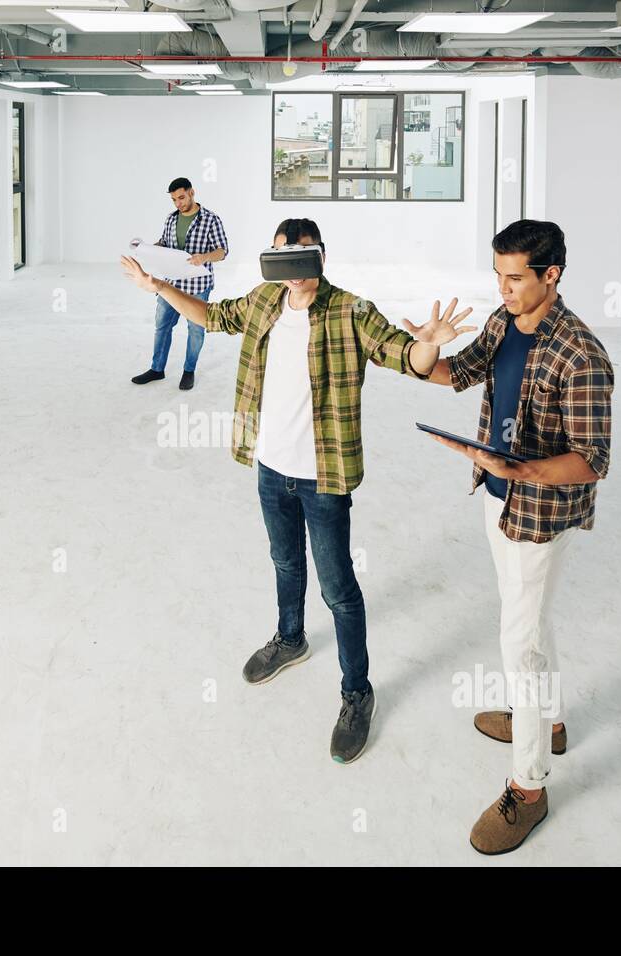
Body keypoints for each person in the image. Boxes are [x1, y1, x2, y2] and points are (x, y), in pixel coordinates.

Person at [121, 219, 474, 763]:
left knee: (338, 588)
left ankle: (357, 692)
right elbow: (213, 317)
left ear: (321, 259)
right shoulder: (264, 300)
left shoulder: (351, 310)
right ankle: (291, 638)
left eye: (301, 257)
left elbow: (405, 357)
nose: (290, 269)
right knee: (285, 562)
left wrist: (427, 345)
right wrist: (159, 287)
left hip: (324, 475)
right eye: (281, 256)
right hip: (269, 465)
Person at [421, 219, 614, 854]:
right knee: (527, 624)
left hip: (539, 514)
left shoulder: (581, 354)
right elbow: (458, 371)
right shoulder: (505, 322)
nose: (502, 288)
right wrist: (426, 348)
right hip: (497, 498)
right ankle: (548, 722)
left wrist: (525, 470)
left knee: (519, 645)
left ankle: (529, 787)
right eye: (497, 275)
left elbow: (592, 458)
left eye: (514, 277)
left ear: (550, 275)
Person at [130, 177, 229, 391]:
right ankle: (157, 369)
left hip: (197, 286)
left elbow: (222, 252)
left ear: (192, 193)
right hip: (171, 283)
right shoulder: (171, 219)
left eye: (181, 197)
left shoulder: (211, 219)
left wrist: (203, 257)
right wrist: (147, 248)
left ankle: (189, 371)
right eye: (174, 200)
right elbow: (165, 244)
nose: (178, 203)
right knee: (162, 326)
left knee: (196, 330)